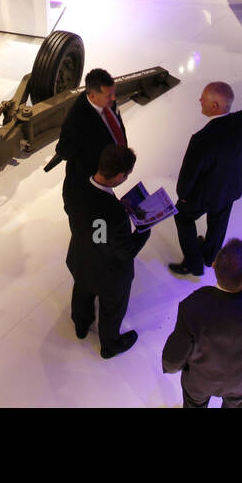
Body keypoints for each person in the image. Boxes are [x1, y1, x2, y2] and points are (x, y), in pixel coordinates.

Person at [161, 238, 242, 408]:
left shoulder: (193, 306)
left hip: (201, 379)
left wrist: (171, 367)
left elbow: (173, 359)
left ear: (214, 265)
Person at [64, 144, 147, 359]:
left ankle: (81, 325)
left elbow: (92, 222)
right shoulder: (115, 213)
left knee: (82, 290)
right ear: (120, 176)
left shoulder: (75, 187)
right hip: (108, 275)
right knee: (112, 308)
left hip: (80, 259)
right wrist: (143, 230)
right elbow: (125, 252)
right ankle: (110, 345)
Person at [169, 83, 242, 277]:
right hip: (231, 187)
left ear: (215, 106)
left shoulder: (201, 140)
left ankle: (193, 264)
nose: (199, 101)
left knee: (182, 217)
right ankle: (209, 255)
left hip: (205, 194)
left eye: (203, 99)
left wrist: (183, 196)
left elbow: (188, 176)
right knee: (219, 222)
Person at [55, 68, 126, 209]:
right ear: (92, 96)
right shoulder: (76, 120)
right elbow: (63, 151)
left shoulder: (107, 102)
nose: (114, 98)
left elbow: (117, 125)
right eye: (109, 95)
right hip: (89, 182)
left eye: (113, 93)